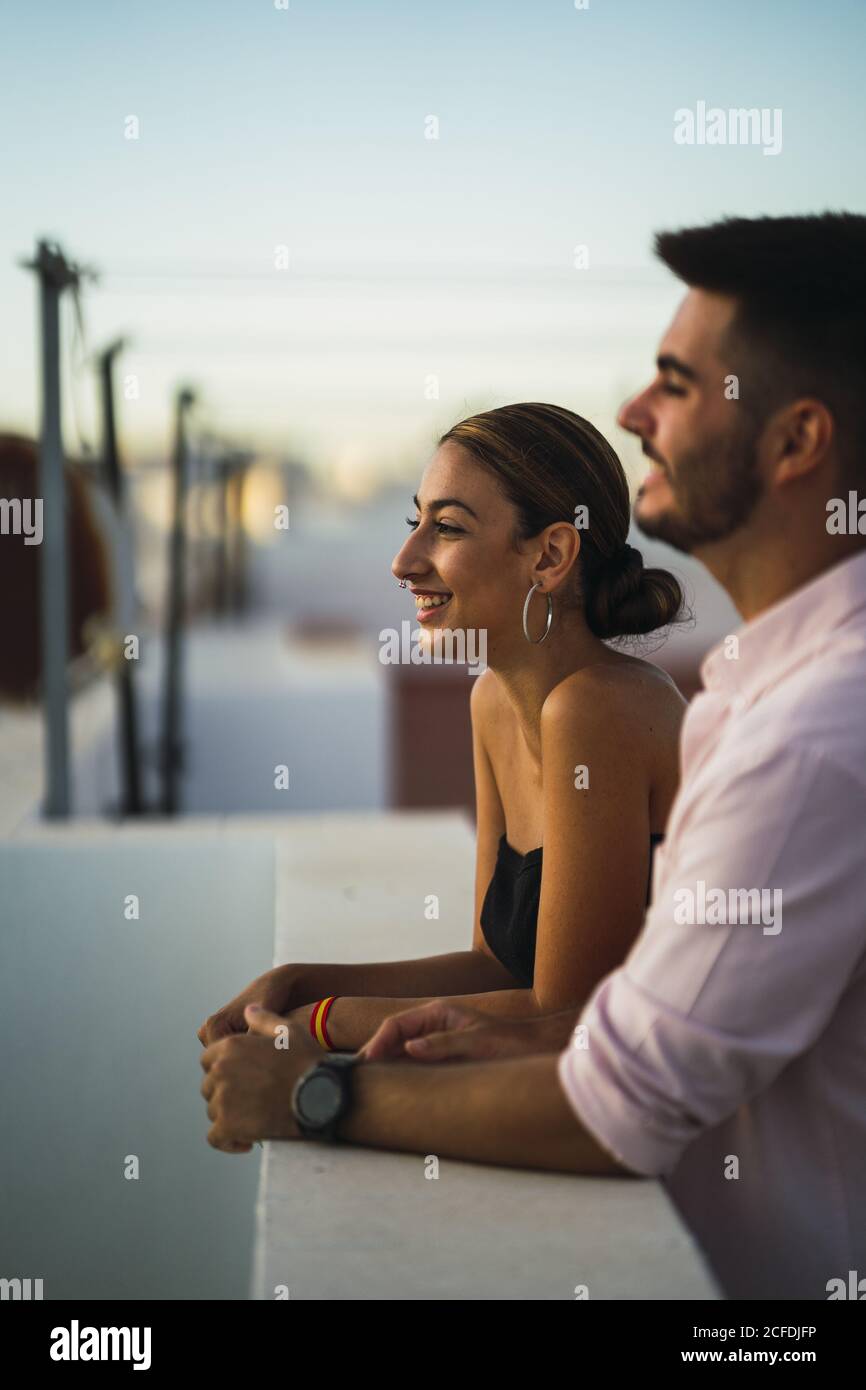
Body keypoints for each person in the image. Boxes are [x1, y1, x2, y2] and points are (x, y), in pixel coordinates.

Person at [201, 212, 866, 1300]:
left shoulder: (776, 733)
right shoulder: (747, 691)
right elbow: (515, 974)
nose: (630, 409)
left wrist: (311, 1074)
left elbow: (601, 1069)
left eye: (676, 383)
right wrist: (305, 981)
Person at [199, 403, 685, 1052]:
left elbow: (560, 1021)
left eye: (447, 528)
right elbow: (495, 967)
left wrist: (321, 1027)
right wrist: (299, 985)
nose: (404, 561)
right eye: (414, 521)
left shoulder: (598, 710)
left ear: (550, 556)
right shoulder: (494, 701)